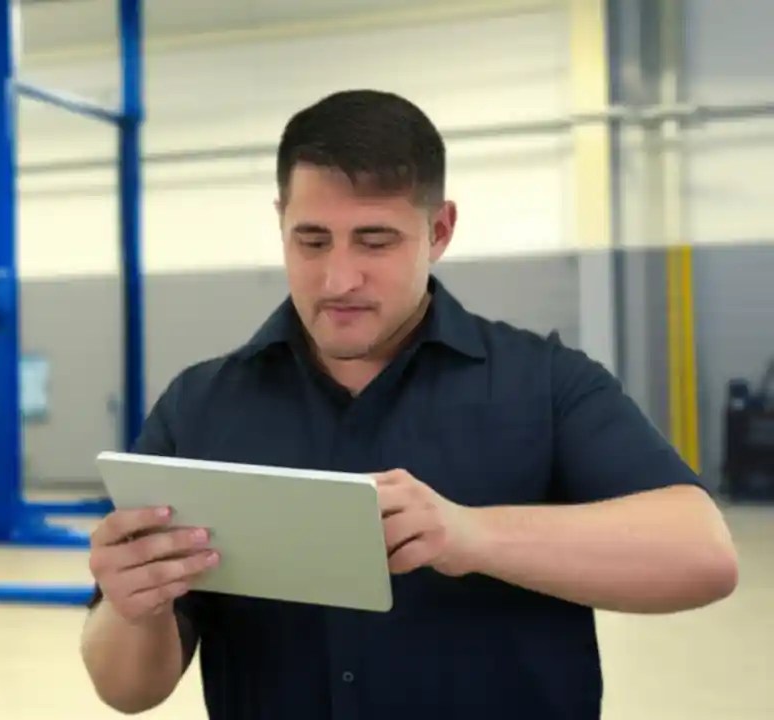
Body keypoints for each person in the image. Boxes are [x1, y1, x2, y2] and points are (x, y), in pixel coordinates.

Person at [79, 89, 739, 719]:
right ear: (280, 221)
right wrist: (132, 605)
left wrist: (470, 534)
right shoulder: (200, 408)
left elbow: (701, 554)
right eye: (312, 240)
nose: (339, 279)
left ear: (440, 229)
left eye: (375, 240)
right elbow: (128, 692)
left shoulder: (543, 384)